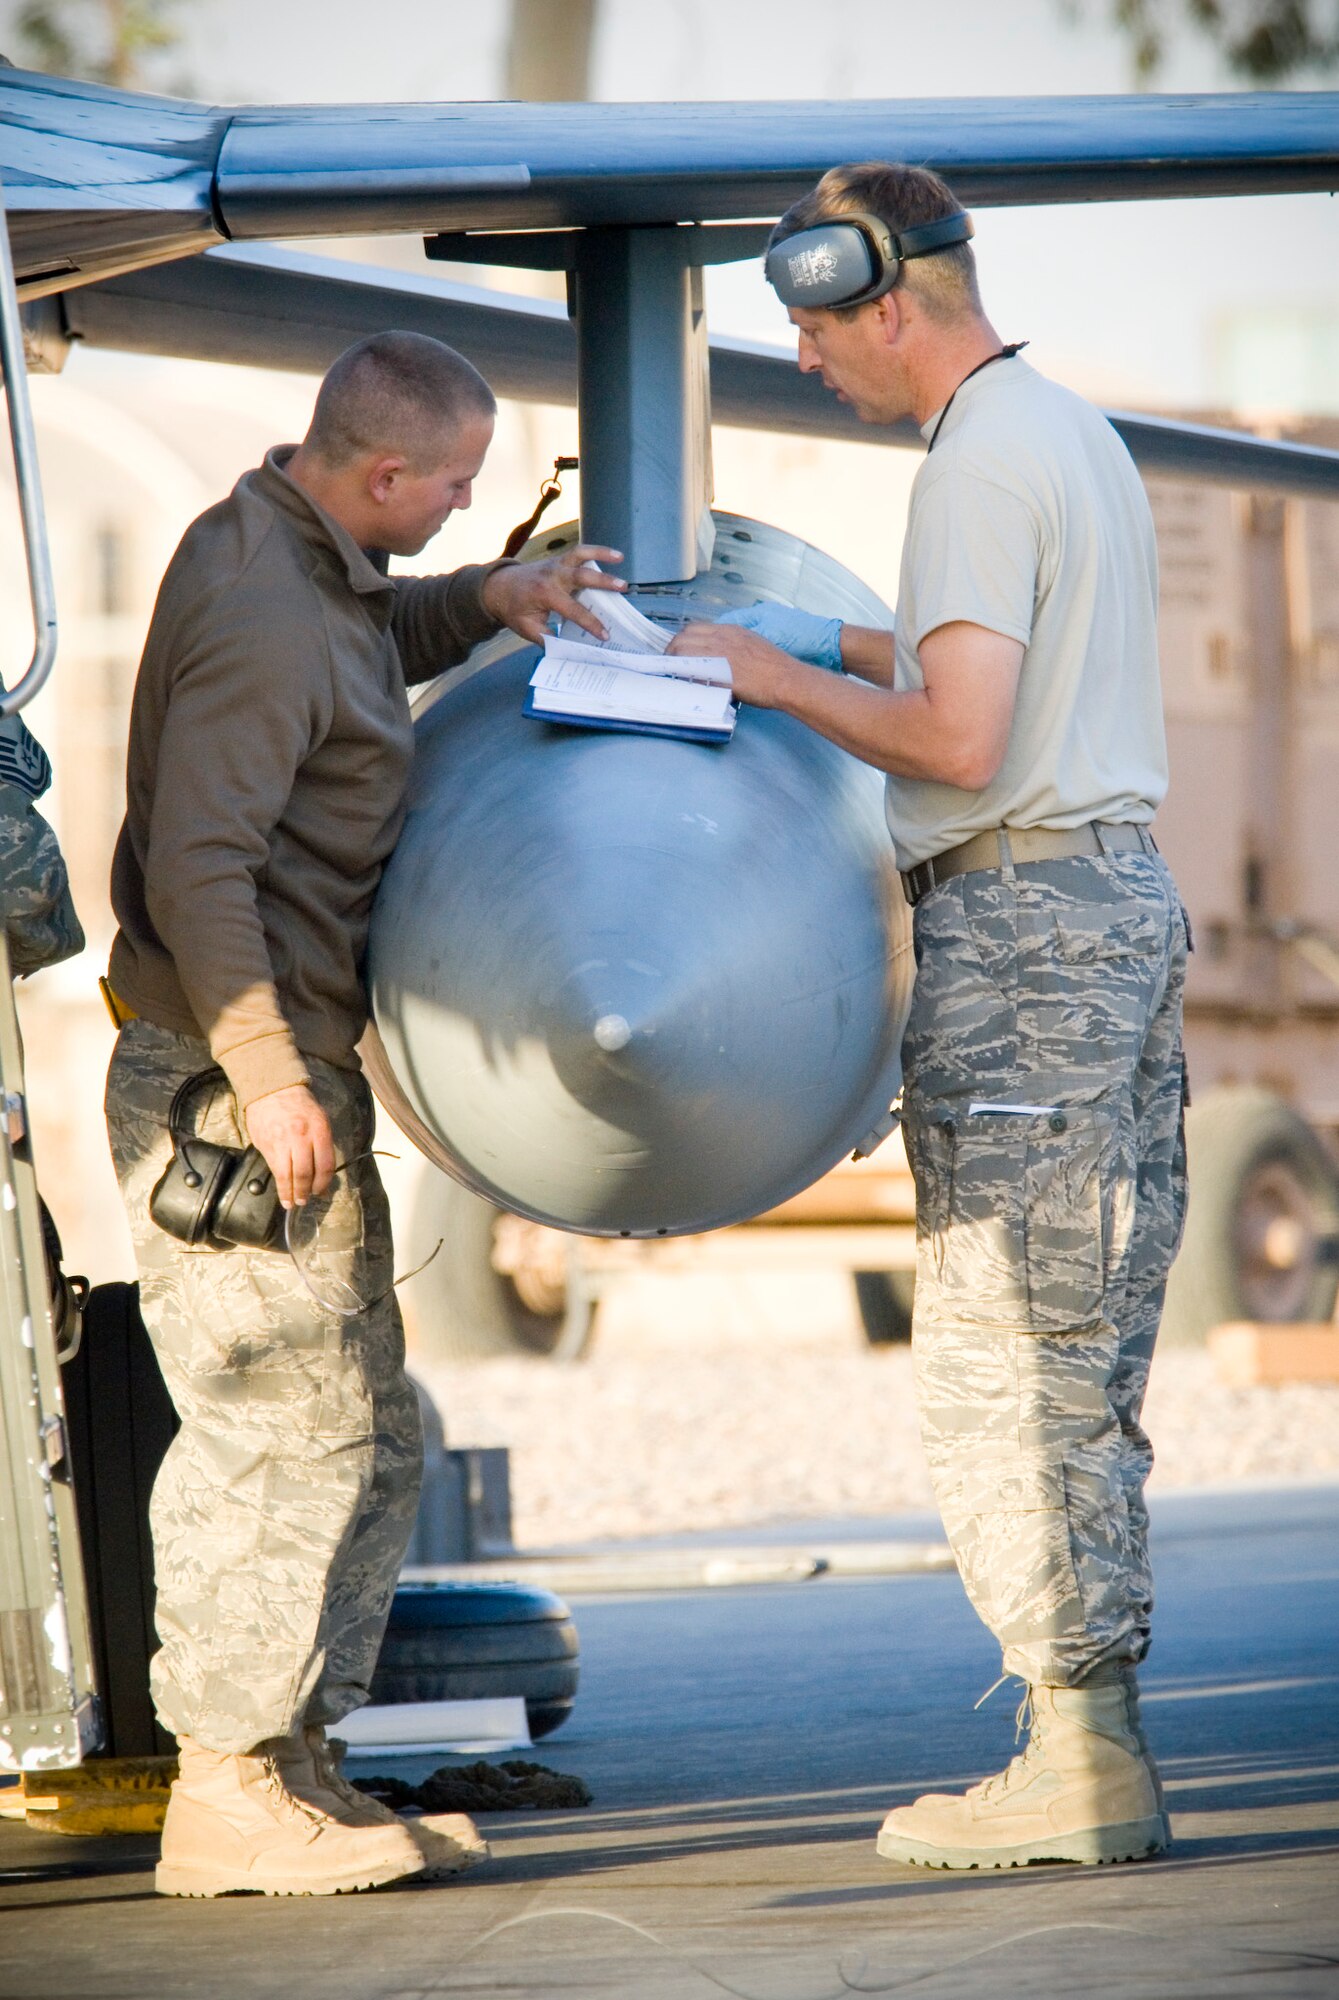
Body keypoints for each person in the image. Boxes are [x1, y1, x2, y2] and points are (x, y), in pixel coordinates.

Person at [671, 162, 1188, 1871]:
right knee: (1080, 1351)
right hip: (1112, 910)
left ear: (891, 306)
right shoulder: (1063, 430)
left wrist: (769, 685)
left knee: (1000, 1362)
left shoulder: (971, 463)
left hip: (1026, 932)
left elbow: (963, 743)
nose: (807, 358)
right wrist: (795, 626)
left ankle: (1079, 1758)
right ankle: (1087, 1734)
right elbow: (986, 662)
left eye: (818, 328)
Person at [103, 329, 625, 1898]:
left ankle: (299, 1763)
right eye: (459, 489)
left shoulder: (300, 554)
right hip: (230, 1077)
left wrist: (488, 602)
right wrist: (264, 1077)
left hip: (281, 1067)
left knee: (366, 1434)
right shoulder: (266, 603)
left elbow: (363, 642)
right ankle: (224, 1785)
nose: (471, 508)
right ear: (385, 471)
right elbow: (200, 864)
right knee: (279, 1427)